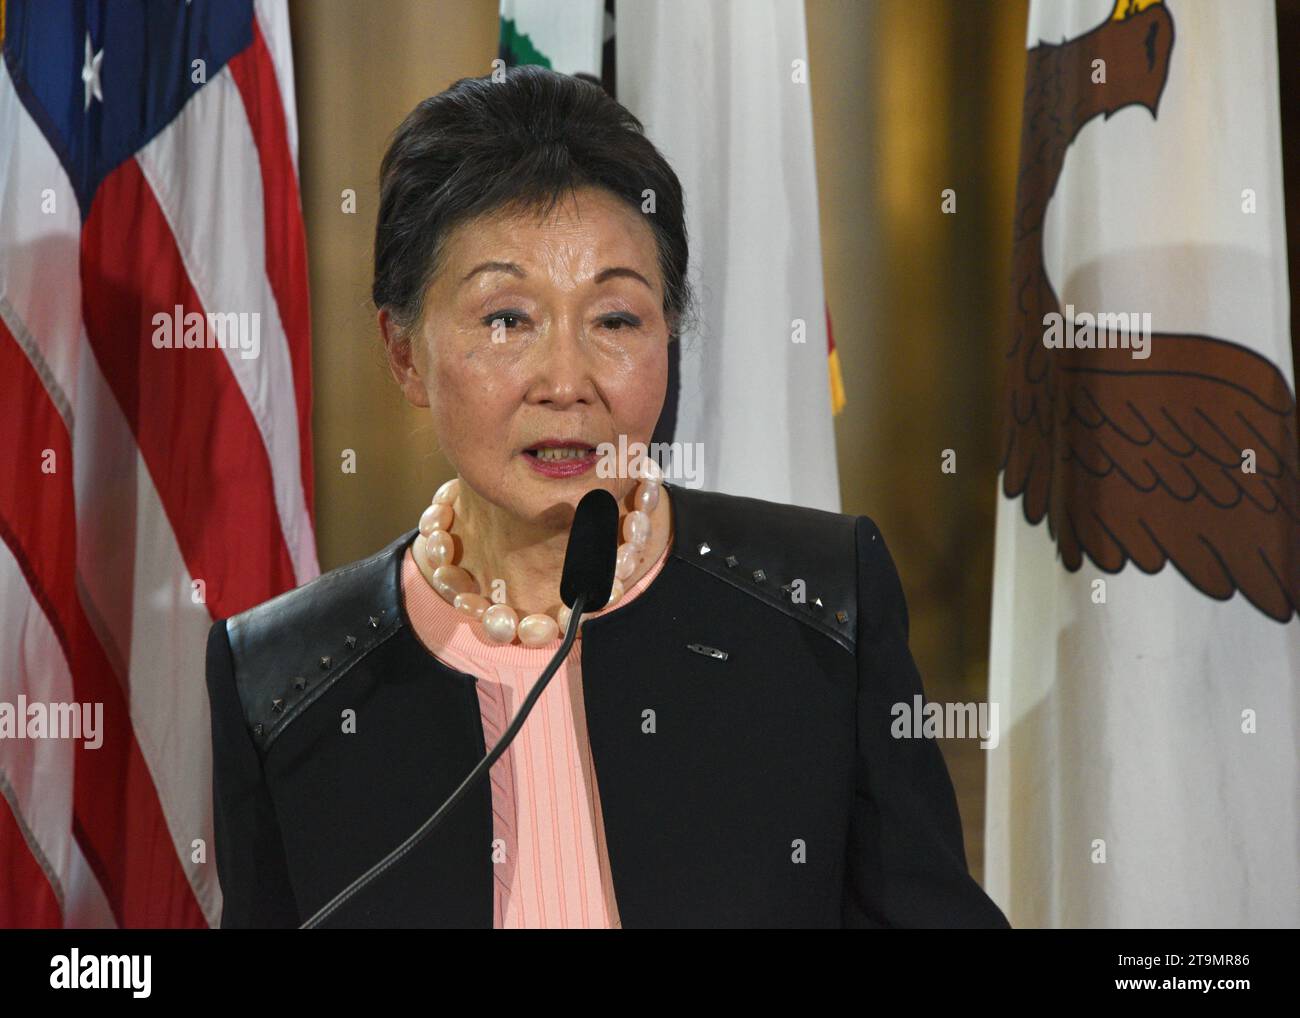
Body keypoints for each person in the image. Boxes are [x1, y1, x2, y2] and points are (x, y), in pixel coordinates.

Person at [204, 64, 1010, 929]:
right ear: (404, 354)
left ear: (670, 332)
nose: (567, 382)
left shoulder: (821, 604)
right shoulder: (284, 679)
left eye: (617, 320)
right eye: (507, 319)